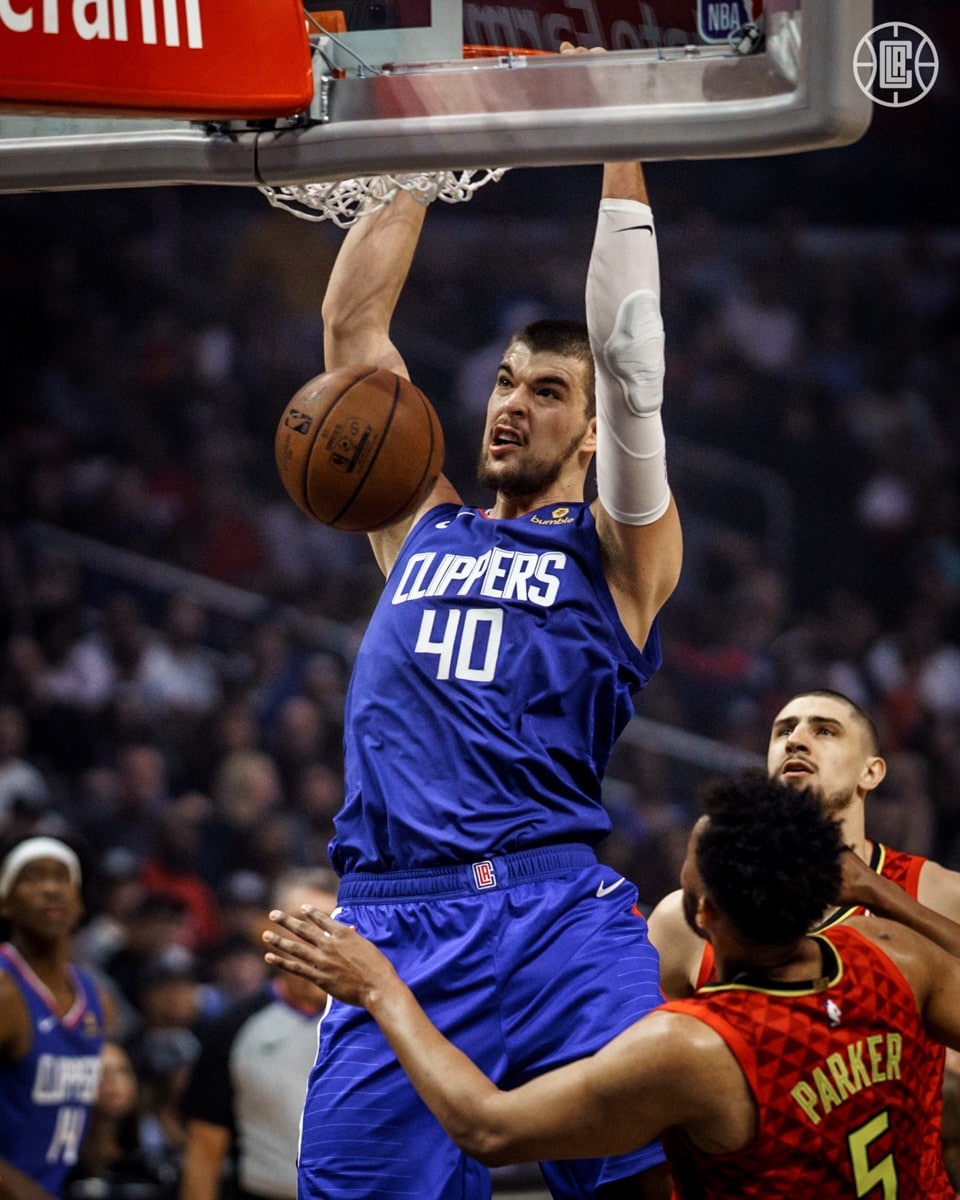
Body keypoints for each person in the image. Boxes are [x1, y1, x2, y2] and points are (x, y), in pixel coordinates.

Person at [297, 135, 682, 1199]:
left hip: (557, 915)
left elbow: (635, 354)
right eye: (507, 381)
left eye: (550, 391)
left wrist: (620, 133)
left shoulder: (620, 555)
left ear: (595, 433)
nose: (512, 403)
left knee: (655, 1184)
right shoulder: (417, 525)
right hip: (390, 922)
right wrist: (426, 143)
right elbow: (352, 335)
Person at [263, 774, 960, 1198]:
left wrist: (382, 987)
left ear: (707, 914)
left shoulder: (695, 1046)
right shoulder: (892, 955)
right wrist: (882, 893)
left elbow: (485, 1126)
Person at [646, 688, 960, 997]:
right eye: (783, 732)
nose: (795, 741)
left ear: (871, 772)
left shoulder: (936, 895)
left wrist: (878, 892)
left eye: (825, 731)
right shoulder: (683, 922)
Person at [177, 868, 339, 1200]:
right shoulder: (233, 1026)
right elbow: (205, 1153)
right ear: (270, 929)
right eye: (298, 922)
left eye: (326, 922)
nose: (310, 935)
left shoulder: (374, 1023)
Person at [0, 835, 116, 1198]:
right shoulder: (5, 991)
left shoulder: (97, 998)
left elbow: (86, 1144)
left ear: (79, 903)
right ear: (6, 903)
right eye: (33, 878)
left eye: (62, 877)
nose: (51, 889)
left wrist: (108, 1114)